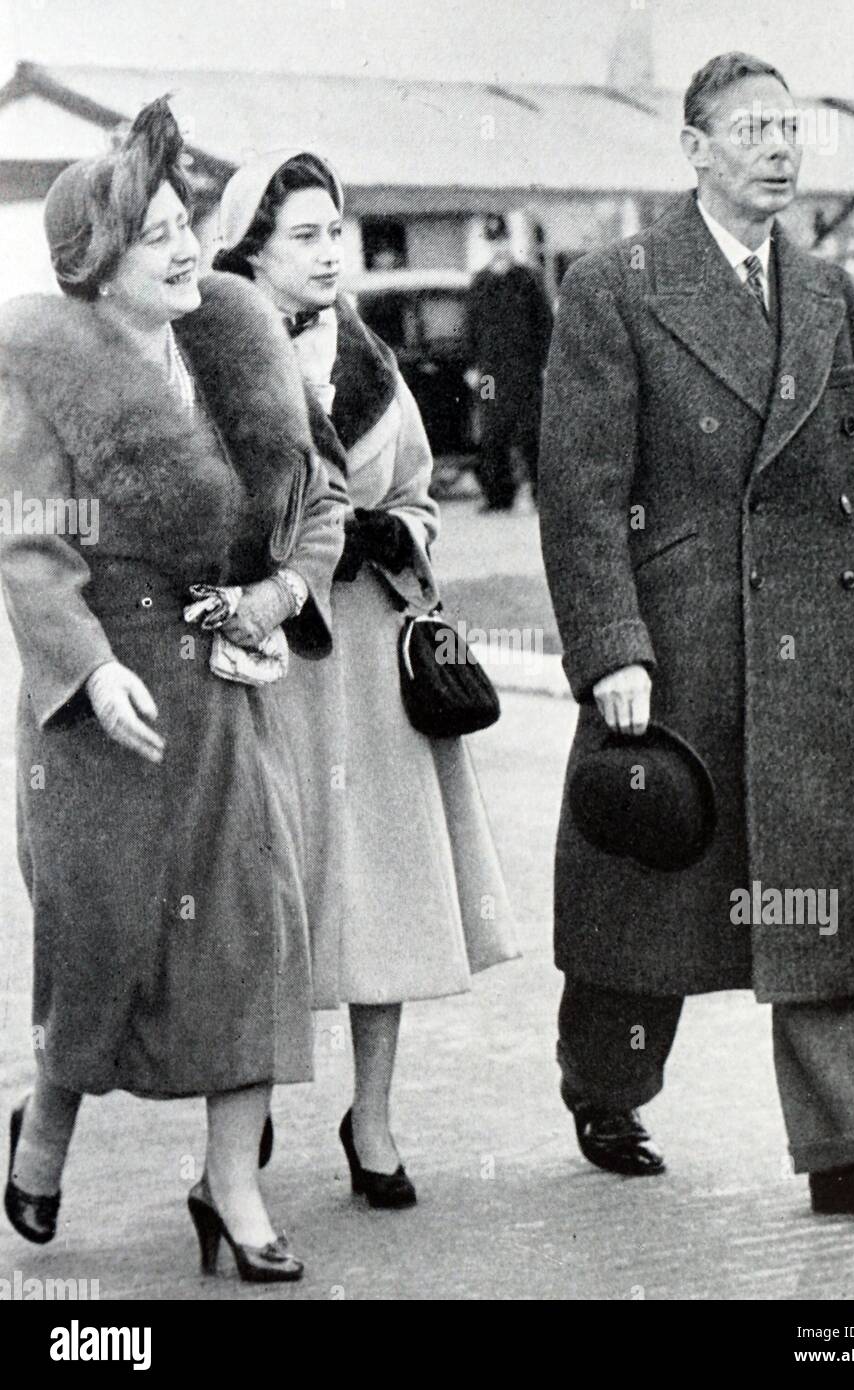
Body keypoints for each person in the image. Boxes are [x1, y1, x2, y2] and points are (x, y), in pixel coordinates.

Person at [537, 52, 854, 1225]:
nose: (779, 147)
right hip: (676, 652)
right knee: (651, 893)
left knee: (822, 898)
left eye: (789, 128)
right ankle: (606, 1082)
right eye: (751, 129)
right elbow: (578, 490)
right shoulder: (614, 285)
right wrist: (611, 643)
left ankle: (853, 1153)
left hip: (815, 645)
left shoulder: (825, 286)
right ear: (694, 148)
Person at [0, 100, 348, 1280]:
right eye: (156, 234)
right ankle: (44, 1129)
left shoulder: (238, 345)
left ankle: (234, 1186)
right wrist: (88, 673)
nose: (189, 247)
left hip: (224, 692)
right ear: (99, 266)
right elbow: (30, 549)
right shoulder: (47, 375)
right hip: (101, 708)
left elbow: (321, 499)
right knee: (99, 942)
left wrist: (287, 593)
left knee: (249, 935)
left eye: (183, 223)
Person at [215, 151, 519, 1207]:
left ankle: (374, 1119)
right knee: (263, 902)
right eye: (303, 234)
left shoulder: (375, 365)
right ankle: (234, 1122)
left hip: (374, 660)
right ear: (251, 248)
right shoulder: (203, 356)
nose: (330, 249)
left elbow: (427, 498)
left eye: (336, 228)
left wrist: (389, 527)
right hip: (266, 668)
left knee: (382, 899)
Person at [464, 215, 553, 512]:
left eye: (502, 241)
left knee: (531, 432)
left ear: (509, 242)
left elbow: (545, 324)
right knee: (492, 433)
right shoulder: (480, 282)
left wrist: (545, 363)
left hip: (524, 370)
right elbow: (471, 327)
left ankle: (544, 495)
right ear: (487, 244)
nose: (498, 247)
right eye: (493, 242)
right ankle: (498, 497)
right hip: (490, 374)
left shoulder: (526, 279)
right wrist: (473, 366)